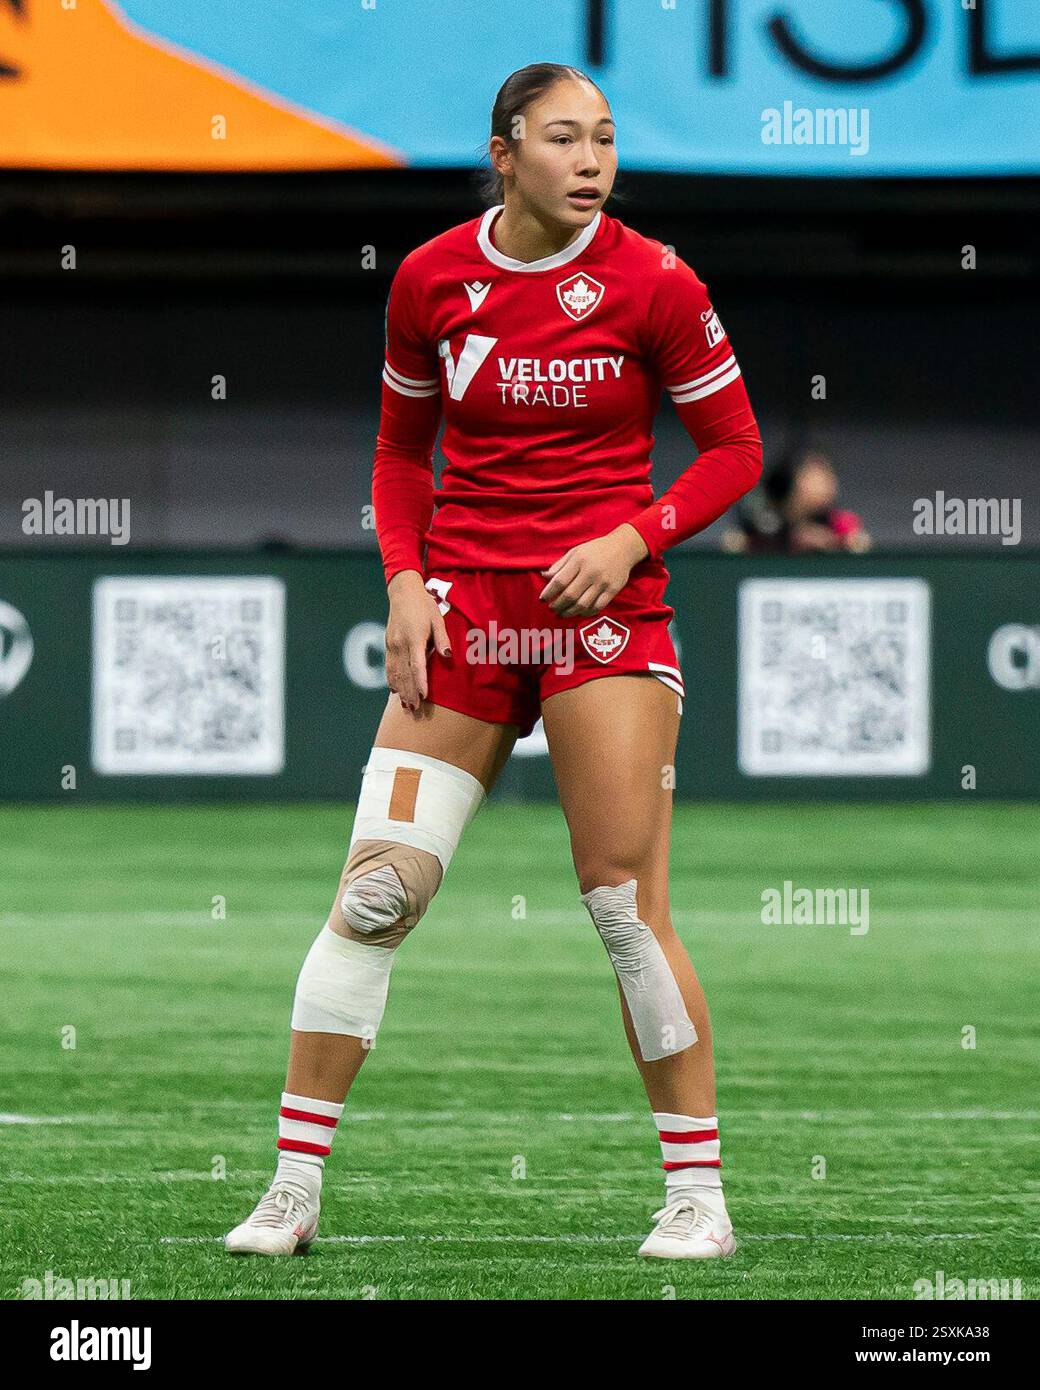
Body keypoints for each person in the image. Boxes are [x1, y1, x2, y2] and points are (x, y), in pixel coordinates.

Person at [226, 62, 762, 1261]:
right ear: (504, 151)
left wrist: (630, 536)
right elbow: (398, 454)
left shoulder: (654, 279)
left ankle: (697, 1200)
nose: (591, 161)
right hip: (462, 615)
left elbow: (733, 448)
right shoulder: (430, 278)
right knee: (373, 897)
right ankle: (292, 1190)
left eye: (606, 140)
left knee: (622, 907)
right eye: (563, 139)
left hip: (604, 623)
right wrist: (404, 585)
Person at [723, 446, 870, 554]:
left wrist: (833, 542)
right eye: (813, 479)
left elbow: (861, 543)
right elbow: (734, 542)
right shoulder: (765, 518)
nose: (824, 487)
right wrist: (794, 539)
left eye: (827, 479)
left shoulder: (838, 521)